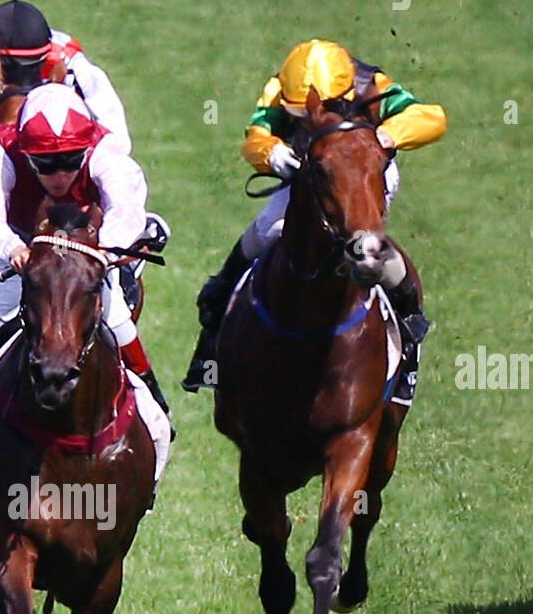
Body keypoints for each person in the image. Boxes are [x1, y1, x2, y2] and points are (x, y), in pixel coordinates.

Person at [0, 83, 170, 514]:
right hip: (30, 261)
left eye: (69, 163)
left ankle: (154, 411)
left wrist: (101, 251)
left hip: (86, 266)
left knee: (118, 322)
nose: (60, 175)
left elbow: (129, 207)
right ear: (26, 153)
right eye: (45, 164)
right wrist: (11, 249)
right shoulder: (3, 149)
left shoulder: (102, 146)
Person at [182, 38, 447, 401]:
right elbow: (257, 134)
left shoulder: (372, 85)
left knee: (366, 239)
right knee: (268, 229)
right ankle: (217, 313)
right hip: (308, 175)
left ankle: (407, 323)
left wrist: (386, 137)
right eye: (298, 115)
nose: (305, 119)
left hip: (363, 170)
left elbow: (432, 117)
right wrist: (272, 155)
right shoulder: (280, 89)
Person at [0, 0, 132, 156]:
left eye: (32, 65)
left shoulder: (72, 64)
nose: (23, 81)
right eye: (10, 67)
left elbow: (117, 141)